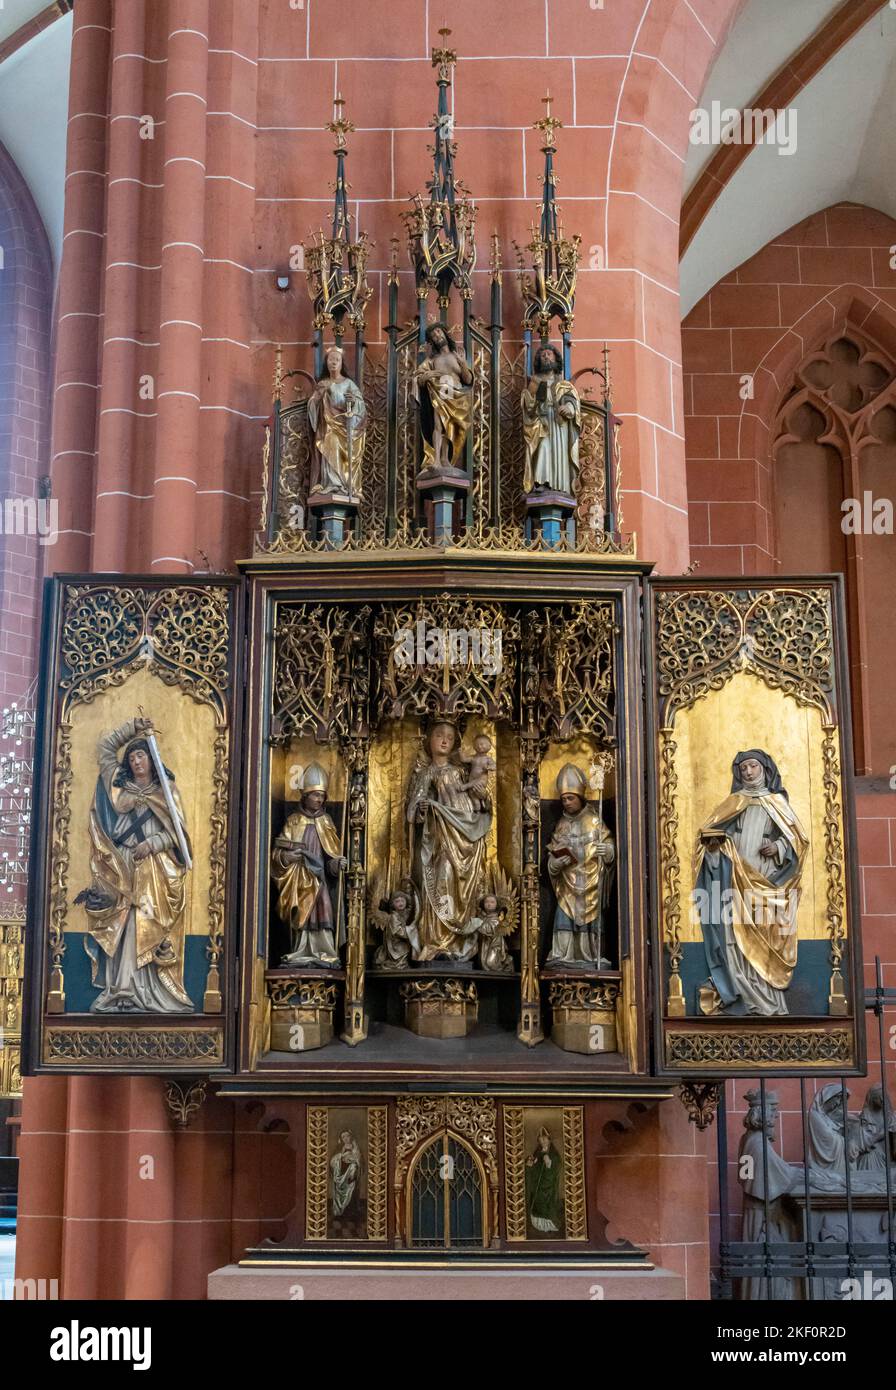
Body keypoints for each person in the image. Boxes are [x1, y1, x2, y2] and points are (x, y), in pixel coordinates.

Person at [76, 716, 193, 1014]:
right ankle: (120, 988)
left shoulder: (165, 791)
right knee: (122, 920)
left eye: (141, 754)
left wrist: (152, 843)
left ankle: (147, 989)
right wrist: (132, 729)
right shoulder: (119, 786)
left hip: (152, 866)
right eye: (132, 757)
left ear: (152, 760)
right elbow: (104, 748)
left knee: (146, 919)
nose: (136, 760)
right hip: (124, 862)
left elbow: (179, 835)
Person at [694, 749, 809, 1017]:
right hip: (735, 880)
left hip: (768, 880)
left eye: (753, 766)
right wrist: (714, 848)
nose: (748, 772)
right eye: (743, 768)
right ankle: (744, 995)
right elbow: (715, 839)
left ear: (765, 770)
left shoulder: (777, 802)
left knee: (765, 935)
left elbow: (798, 841)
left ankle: (770, 1000)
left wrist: (778, 846)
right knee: (736, 936)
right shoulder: (733, 803)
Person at [406, 722, 490, 962]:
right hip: (440, 838)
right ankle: (437, 942)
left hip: (466, 834)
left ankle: (459, 943)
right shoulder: (427, 773)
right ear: (428, 740)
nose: (444, 740)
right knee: (441, 878)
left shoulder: (463, 770)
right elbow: (412, 812)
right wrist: (422, 808)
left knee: (464, 887)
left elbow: (482, 798)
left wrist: (482, 791)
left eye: (450, 737)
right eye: (439, 735)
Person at [272, 763, 347, 967]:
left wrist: (336, 864)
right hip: (299, 877)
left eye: (322, 796)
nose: (319, 799)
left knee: (323, 909)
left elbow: (331, 854)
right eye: (315, 795)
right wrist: (287, 858)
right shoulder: (294, 821)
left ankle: (325, 952)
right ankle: (300, 951)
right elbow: (277, 853)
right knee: (301, 911)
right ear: (305, 796)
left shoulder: (326, 821)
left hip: (319, 876)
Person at [545, 764, 615, 969]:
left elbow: (609, 844)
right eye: (563, 799)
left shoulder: (594, 820)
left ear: (580, 797)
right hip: (568, 886)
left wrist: (608, 850)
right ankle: (563, 955)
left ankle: (592, 956)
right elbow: (553, 853)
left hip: (590, 883)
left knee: (592, 920)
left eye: (570, 798)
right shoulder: (561, 824)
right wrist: (556, 864)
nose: (566, 803)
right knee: (563, 916)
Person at [736, 1090, 801, 1300]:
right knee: (770, 1258)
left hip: (758, 1210)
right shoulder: (758, 1144)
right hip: (764, 1215)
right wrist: (806, 1175)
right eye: (773, 1111)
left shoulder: (748, 1139)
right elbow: (783, 1176)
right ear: (762, 1113)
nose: (776, 1117)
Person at [307, 345, 367, 499]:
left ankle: (344, 485)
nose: (333, 362)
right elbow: (312, 407)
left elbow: (361, 409)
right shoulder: (323, 384)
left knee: (338, 443)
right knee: (330, 441)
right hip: (327, 428)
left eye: (337, 359)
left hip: (346, 429)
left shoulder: (349, 384)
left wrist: (353, 403)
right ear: (326, 363)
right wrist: (318, 397)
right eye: (330, 359)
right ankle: (331, 484)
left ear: (341, 363)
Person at [521, 344, 581, 496]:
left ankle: (561, 487)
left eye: (549, 354)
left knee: (559, 454)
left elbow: (572, 400)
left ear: (556, 359)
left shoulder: (564, 384)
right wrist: (534, 403)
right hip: (542, 424)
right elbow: (529, 407)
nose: (546, 356)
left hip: (559, 425)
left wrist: (569, 408)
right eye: (543, 355)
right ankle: (542, 483)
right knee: (543, 448)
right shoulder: (534, 382)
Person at [414, 323, 473, 473]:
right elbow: (418, 378)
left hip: (457, 395)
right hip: (441, 392)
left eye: (439, 332)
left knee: (450, 427)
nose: (437, 336)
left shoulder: (457, 355)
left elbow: (467, 380)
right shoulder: (432, 360)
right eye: (433, 336)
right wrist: (428, 374)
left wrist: (463, 363)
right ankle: (436, 460)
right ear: (432, 341)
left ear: (445, 333)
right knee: (438, 425)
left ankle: (445, 458)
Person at [525, 1126, 565, 1236]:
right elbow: (532, 1169)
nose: (542, 1141)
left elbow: (556, 1168)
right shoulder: (537, 1153)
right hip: (536, 1187)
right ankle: (538, 1226)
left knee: (546, 1205)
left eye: (545, 1138)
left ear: (549, 1139)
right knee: (537, 1205)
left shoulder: (554, 1155)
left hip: (548, 1188)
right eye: (540, 1139)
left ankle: (549, 1226)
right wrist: (529, 1165)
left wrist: (549, 1165)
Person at [330, 1130, 363, 1228]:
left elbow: (359, 1161)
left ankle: (350, 1214)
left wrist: (354, 1164)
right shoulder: (340, 1148)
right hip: (340, 1173)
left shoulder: (355, 1148)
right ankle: (340, 1214)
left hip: (350, 1177)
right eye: (343, 1137)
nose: (346, 1138)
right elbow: (332, 1161)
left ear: (351, 1137)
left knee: (351, 1193)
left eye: (347, 1136)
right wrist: (340, 1158)